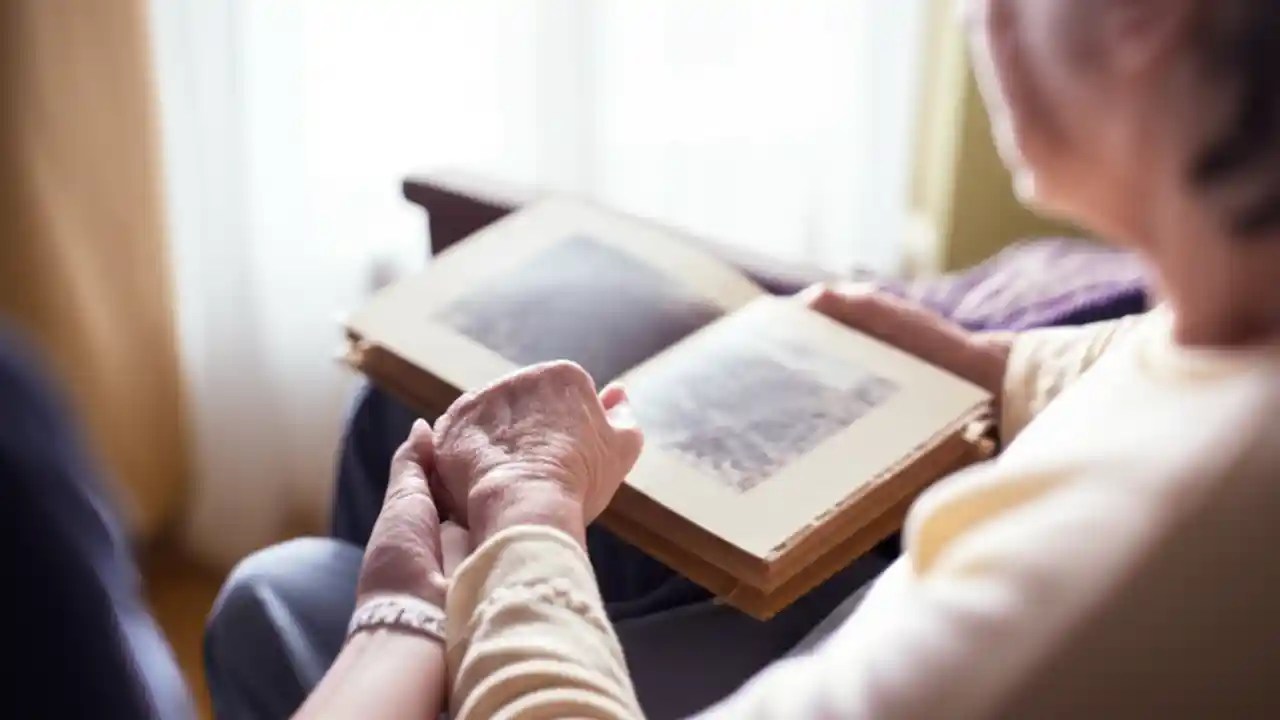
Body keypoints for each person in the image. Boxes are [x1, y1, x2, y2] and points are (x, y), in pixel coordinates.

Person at [209, 0, 1280, 717]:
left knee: (275, 600)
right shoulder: (1233, 335)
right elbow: (1148, 365)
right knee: (321, 552)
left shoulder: (1151, 532)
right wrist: (995, 367)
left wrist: (529, 514)